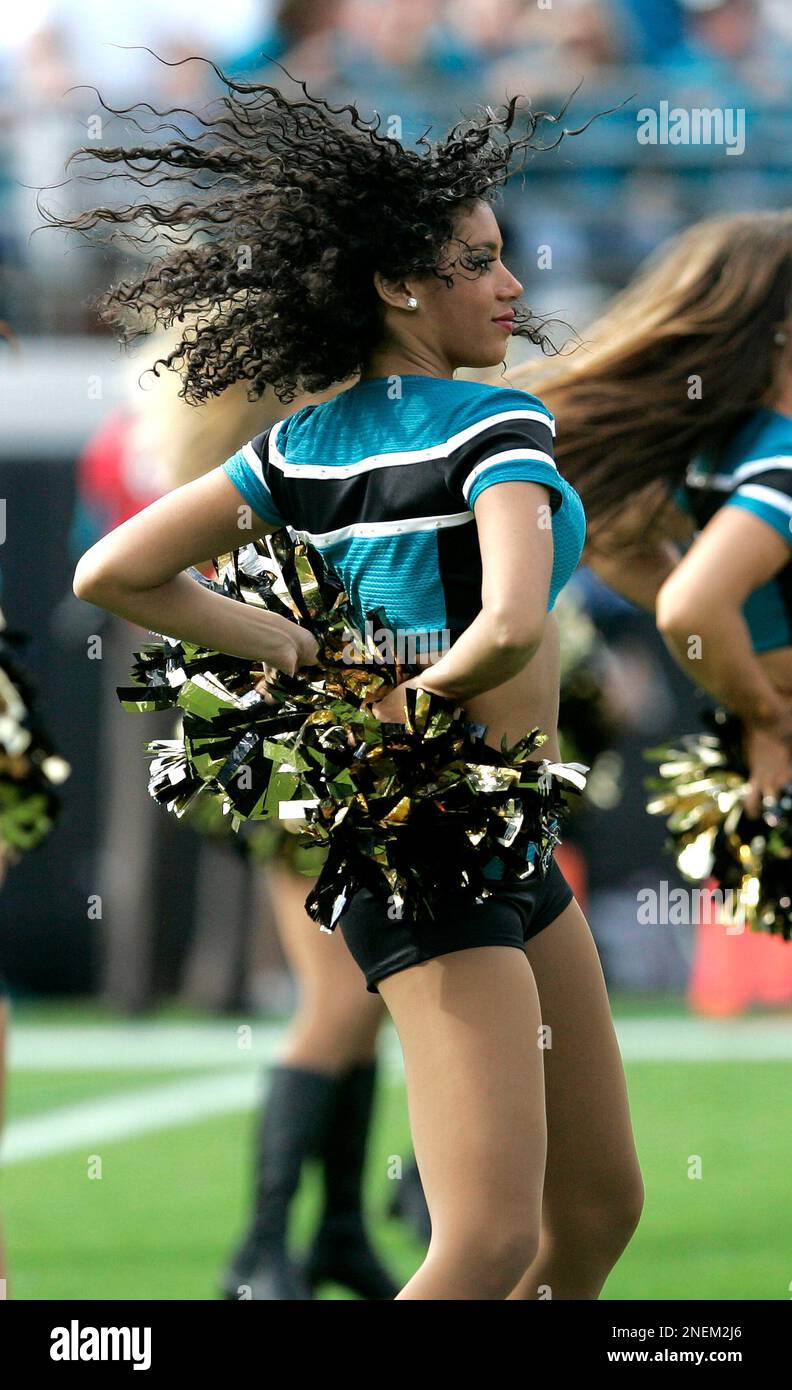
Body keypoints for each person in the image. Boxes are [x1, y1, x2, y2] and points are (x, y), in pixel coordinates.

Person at [61, 65, 644, 1299]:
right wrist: (402, 699)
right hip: (432, 836)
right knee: (486, 1240)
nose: (514, 283)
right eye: (483, 261)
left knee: (592, 1211)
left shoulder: (301, 442)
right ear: (396, 283)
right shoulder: (494, 427)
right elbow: (508, 621)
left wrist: (302, 656)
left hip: (492, 834)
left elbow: (114, 569)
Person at [511, 209, 792, 1008]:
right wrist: (765, 718)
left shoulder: (719, 448)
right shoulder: (776, 458)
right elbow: (695, 608)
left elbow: (601, 532)